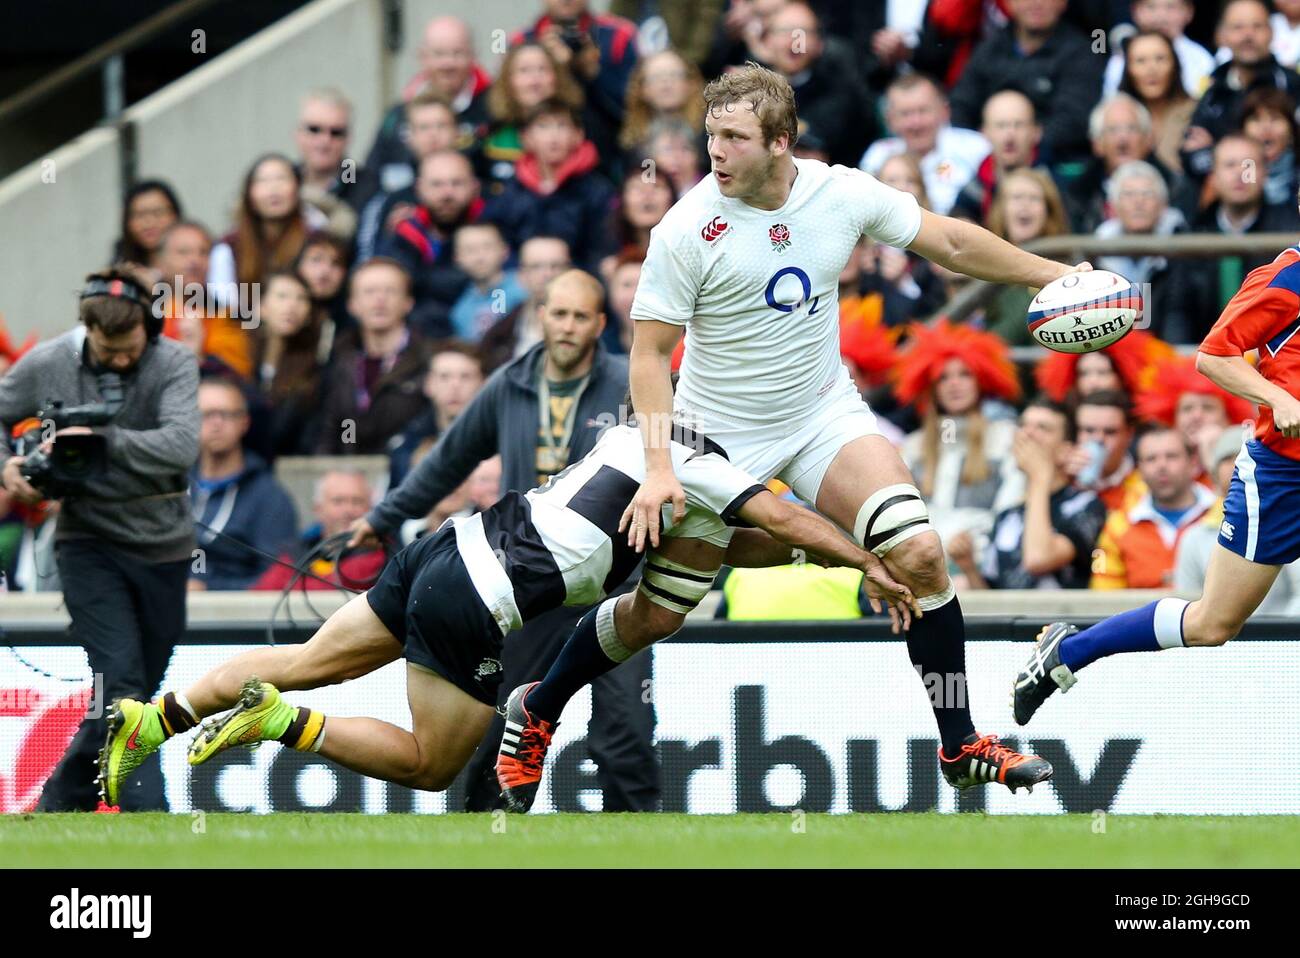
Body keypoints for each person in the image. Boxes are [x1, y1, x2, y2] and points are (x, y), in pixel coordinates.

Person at [518, 62, 1078, 801]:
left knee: (918, 551)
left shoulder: (837, 193)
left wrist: (1052, 274)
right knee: (655, 614)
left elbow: (951, 242)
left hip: (821, 413)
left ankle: (960, 743)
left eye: (734, 138)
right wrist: (660, 467)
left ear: (781, 143)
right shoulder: (687, 228)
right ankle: (539, 706)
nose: (715, 152)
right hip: (715, 436)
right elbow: (651, 356)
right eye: (710, 134)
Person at [96, 407, 917, 813]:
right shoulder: (699, 467)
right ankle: (282, 726)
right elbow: (771, 516)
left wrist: (822, 543)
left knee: (308, 660)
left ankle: (153, 722)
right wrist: (868, 556)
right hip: (478, 599)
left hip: (445, 547)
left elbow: (745, 541)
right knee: (433, 765)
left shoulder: (642, 440)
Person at [348, 269, 662, 812]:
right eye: (557, 313)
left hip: (615, 588)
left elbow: (671, 466)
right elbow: (449, 460)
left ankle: (635, 848)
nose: (566, 326)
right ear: (540, 316)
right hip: (530, 582)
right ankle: (480, 842)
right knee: (492, 733)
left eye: (580, 316)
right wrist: (382, 518)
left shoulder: (632, 384)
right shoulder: (509, 384)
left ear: (600, 324)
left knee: (625, 732)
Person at [1015, 224, 1300, 725]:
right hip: (1282, 474)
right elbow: (1214, 356)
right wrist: (1276, 398)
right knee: (1214, 622)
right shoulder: (1286, 279)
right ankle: (1071, 651)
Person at [0, 266, 199, 811]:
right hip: (87, 542)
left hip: (165, 547)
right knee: (123, 680)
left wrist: (102, 440)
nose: (118, 360)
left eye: (128, 348)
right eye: (106, 349)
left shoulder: (174, 360)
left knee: (129, 691)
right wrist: (8, 467)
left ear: (150, 329)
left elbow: (181, 444)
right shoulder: (48, 363)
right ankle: (148, 810)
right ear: (85, 329)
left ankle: (59, 803)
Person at [955, 397, 1107, 591]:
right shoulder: (1007, 515)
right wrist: (969, 568)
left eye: (1043, 428)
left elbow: (1038, 559)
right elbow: (992, 598)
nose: (1027, 434)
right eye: (1023, 425)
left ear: (1065, 450)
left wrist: (1040, 478)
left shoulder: (1087, 505)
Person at [948, 0, 1105, 165]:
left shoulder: (1082, 53)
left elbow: (1074, 120)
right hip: (987, 160)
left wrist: (1025, 144)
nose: (1037, 3)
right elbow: (961, 106)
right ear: (1008, 3)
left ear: (1064, 3)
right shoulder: (989, 48)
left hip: (1057, 164)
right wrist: (984, 144)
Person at [1173, 425, 1300, 614]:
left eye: (1243, 455)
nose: (1241, 462)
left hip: (1278, 637)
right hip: (1216, 639)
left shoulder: (1286, 522)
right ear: (1214, 472)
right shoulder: (1193, 537)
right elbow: (1186, 602)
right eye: (1229, 457)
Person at [189, 377, 298, 591]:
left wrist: (208, 588)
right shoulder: (170, 487)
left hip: (232, 617)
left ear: (244, 423)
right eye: (207, 414)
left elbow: (276, 579)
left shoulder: (270, 497)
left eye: (227, 414)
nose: (216, 422)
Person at [315, 259, 433, 456]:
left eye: (390, 291)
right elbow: (330, 431)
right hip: (350, 478)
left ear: (408, 303)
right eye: (369, 292)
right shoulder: (338, 361)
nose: (380, 300)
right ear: (352, 305)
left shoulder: (429, 359)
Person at [481, 99, 616, 270]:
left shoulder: (598, 190)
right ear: (525, 138)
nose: (553, 136)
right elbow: (496, 242)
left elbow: (602, 249)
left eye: (562, 126)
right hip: (520, 281)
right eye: (543, 126)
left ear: (578, 135)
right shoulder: (510, 190)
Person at [366, 16, 492, 192]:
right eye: (439, 54)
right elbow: (372, 177)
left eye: (457, 53)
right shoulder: (397, 116)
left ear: (473, 55)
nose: (448, 64)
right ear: (422, 56)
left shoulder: (496, 109)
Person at [1181, 0, 1300, 183]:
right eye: (1238, 27)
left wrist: (1218, 150)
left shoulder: (1292, 85)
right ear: (1222, 35)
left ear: (1271, 32)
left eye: (1257, 26)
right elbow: (1192, 157)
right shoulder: (1213, 90)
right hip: (1227, 201)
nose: (1248, 35)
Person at [1087, 423, 1217, 590]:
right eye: (1151, 459)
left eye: (1171, 456)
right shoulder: (1117, 526)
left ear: (1192, 462)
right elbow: (1102, 596)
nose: (1161, 466)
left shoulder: (1225, 513)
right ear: (1139, 469)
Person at [1189, 134, 1300, 312]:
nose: (1240, 173)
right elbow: (1178, 310)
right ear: (1213, 176)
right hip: (1205, 339)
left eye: (1249, 165)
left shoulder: (1291, 231)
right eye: (1229, 165)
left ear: (1265, 173)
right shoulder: (1195, 232)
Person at [377, 150, 481, 338]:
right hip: (411, 342)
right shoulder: (404, 235)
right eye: (437, 184)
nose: (447, 193)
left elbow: (501, 295)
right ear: (419, 189)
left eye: (457, 183)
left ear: (475, 187)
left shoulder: (495, 229)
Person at [762, 1, 877, 169]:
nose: (794, 42)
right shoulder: (746, 90)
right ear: (767, 41)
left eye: (803, 33)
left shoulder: (844, 93)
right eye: (785, 32)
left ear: (819, 44)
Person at [860, 73, 990, 216]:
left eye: (923, 111)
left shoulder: (976, 148)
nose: (916, 123)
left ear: (944, 111)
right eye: (905, 114)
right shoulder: (878, 155)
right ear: (890, 120)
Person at [209, 154, 321, 312]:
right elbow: (225, 305)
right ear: (248, 194)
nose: (273, 189)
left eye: (282, 179)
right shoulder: (228, 247)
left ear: (298, 188)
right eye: (263, 181)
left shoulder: (318, 239)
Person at [251, 469, 386, 592]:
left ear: (371, 508)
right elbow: (261, 594)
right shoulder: (297, 551)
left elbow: (335, 590)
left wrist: (290, 585)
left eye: (357, 501)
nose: (348, 510)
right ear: (318, 509)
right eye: (338, 501)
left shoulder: (381, 551)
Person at [982, 168, 1071, 344]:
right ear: (1002, 209)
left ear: (1048, 210)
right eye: (1016, 198)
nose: (1025, 205)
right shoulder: (983, 265)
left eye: (1033, 198)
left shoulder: (1070, 264)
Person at [482, 41, 585, 187]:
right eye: (524, 71)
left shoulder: (579, 126)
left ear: (557, 77)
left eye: (542, 69)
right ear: (508, 81)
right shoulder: (491, 133)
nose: (535, 81)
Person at [250, 271, 328, 457]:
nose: (292, 306)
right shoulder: (240, 357)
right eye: (282, 296)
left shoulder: (315, 370)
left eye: (301, 299)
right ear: (260, 307)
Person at [388, 340, 485, 487]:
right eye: (444, 377)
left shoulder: (503, 437)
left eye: (465, 377)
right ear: (428, 384)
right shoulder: (407, 443)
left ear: (484, 384)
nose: (455, 386)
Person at [293, 89, 381, 241]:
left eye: (336, 132)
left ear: (349, 138)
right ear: (298, 134)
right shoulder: (285, 179)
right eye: (314, 129)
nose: (324, 141)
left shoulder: (365, 184)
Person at [951, 89, 1048, 226]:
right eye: (1000, 126)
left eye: (1018, 125)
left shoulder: (1054, 182)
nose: (1009, 135)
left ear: (1036, 132)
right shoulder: (973, 190)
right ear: (984, 133)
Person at [478, 235, 572, 370]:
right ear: (521, 275)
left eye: (556, 266)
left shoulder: (591, 325)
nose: (547, 274)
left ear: (570, 271)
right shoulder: (499, 334)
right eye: (536, 267)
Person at [1116, 30, 1197, 175]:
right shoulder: (1116, 115)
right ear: (1128, 69)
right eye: (1141, 61)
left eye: (1160, 59)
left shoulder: (1197, 113)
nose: (1152, 69)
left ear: (1174, 65)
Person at [1102, 0, 1215, 100]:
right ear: (1134, 11)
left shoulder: (1201, 59)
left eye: (1170, 7)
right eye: (1151, 6)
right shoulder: (1121, 59)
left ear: (1189, 11)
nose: (1161, 17)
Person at [448, 222, 528, 342]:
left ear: (505, 251)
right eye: (470, 250)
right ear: (457, 258)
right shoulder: (460, 310)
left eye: (487, 247)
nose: (480, 257)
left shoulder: (524, 288)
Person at [112, 180, 182, 271]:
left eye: (158, 212)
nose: (149, 223)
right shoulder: (118, 275)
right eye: (139, 215)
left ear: (175, 215)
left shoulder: (198, 267)